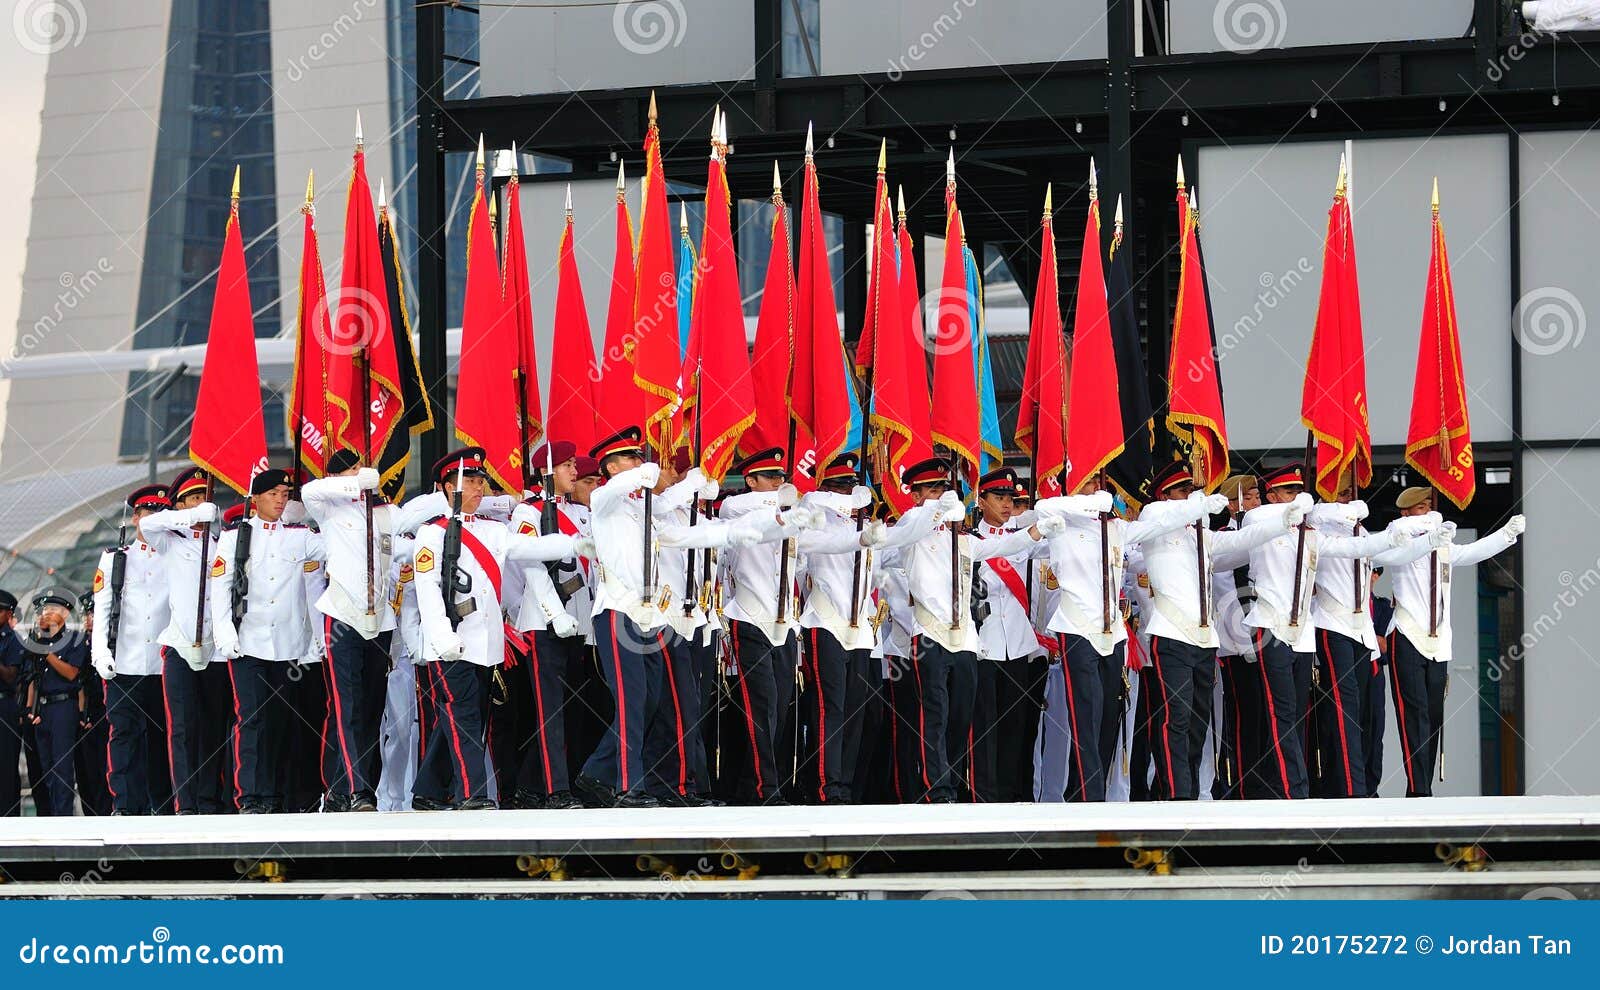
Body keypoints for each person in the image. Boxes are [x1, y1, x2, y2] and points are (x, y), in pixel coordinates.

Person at [411, 447, 583, 810]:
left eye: (479, 482)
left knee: (465, 718)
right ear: (447, 487)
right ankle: (473, 794)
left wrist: (577, 542)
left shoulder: (493, 531)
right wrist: (442, 634)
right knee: (465, 718)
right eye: (469, 482)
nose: (478, 489)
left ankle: (427, 791)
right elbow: (427, 589)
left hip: (485, 644)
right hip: (451, 641)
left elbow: (531, 548)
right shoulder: (432, 533)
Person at [1236, 463, 1420, 800]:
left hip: (1302, 634)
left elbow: (1351, 548)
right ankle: (1287, 788)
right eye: (1288, 491)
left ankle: (1297, 786)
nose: (1295, 497)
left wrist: (1389, 538)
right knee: (1280, 710)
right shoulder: (1260, 520)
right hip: (1270, 627)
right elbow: (1263, 523)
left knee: (1298, 713)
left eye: (1296, 491)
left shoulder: (1309, 535)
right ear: (1272, 495)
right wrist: (1299, 508)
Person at [893, 456, 1062, 803]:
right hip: (930, 634)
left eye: (944, 487)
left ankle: (952, 783)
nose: (940, 494)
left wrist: (1036, 530)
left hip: (966, 638)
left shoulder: (964, 537)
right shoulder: (913, 525)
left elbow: (1004, 545)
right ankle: (935, 789)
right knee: (935, 715)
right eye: (932, 489)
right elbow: (914, 523)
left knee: (960, 718)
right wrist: (939, 509)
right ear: (915, 495)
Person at [1034, 469, 1201, 802]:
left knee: (1110, 715)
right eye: (1087, 482)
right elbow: (1043, 508)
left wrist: (1197, 506)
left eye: (1097, 482)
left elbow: (1157, 525)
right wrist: (1090, 503)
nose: (1095, 488)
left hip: (1111, 633)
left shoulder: (1115, 528)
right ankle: (1089, 795)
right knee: (1086, 713)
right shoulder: (1061, 523)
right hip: (1076, 629)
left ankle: (1086, 790)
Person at [1126, 461, 1285, 801]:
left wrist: (1282, 522)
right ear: (1165, 495)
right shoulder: (1155, 518)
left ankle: (1189, 792)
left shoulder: (1198, 534)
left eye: (1192, 490)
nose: (1191, 495)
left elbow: (1242, 540)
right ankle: (1176, 795)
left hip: (1203, 638)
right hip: (1171, 634)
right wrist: (1196, 505)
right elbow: (1161, 517)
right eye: (1183, 490)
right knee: (1176, 718)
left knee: (1199, 723)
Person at [1372, 487, 1524, 797]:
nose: (1426, 512)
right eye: (1419, 508)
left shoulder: (1442, 546)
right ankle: (1417, 789)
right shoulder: (1398, 538)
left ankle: (1423, 786)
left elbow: (1472, 552)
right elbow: (1392, 552)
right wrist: (1427, 535)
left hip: (1439, 642)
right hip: (1408, 637)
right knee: (1412, 717)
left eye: (1429, 506)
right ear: (1405, 513)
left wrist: (1506, 535)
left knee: (1433, 718)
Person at [210, 468, 326, 813]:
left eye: (284, 494)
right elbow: (221, 587)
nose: (280, 500)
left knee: (279, 722)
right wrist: (224, 632)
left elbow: (339, 547)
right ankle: (250, 796)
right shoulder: (234, 538)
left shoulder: (299, 535)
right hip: (249, 641)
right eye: (273, 494)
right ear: (255, 498)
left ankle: (274, 794)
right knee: (252, 720)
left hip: (288, 644)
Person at [300, 450, 392, 812]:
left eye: (362, 469)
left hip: (380, 620)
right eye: (352, 470)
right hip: (342, 616)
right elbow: (310, 492)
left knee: (372, 708)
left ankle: (344, 789)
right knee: (347, 706)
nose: (360, 474)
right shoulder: (331, 510)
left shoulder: (383, 510)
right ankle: (358, 791)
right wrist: (354, 483)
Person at [90, 487, 176, 815]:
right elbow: (103, 608)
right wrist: (100, 654)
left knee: (159, 740)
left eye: (160, 515)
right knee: (124, 736)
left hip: (162, 665)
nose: (152, 521)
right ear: (136, 518)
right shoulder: (116, 558)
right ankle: (126, 807)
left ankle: (162, 808)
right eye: (147, 514)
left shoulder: (175, 556)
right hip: (123, 664)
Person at [970, 467, 1052, 802]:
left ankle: (1014, 795)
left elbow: (1052, 544)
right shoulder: (970, 540)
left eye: (1011, 499)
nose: (1007, 505)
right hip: (984, 645)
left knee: (1017, 726)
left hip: (1017, 645)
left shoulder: (1023, 539)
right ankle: (985, 796)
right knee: (985, 728)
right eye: (1000, 498)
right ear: (982, 499)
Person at [1211, 474, 1260, 799]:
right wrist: (1244, 641)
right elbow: (1225, 593)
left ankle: (1254, 782)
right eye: (1252, 497)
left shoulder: (1252, 535)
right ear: (1233, 504)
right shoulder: (1224, 539)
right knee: (1235, 718)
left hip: (1256, 638)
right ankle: (1235, 785)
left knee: (1255, 715)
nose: (1258, 503)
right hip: (1234, 643)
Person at [24, 591, 88, 815]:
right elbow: (32, 678)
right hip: (43, 708)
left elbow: (72, 674)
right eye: (42, 611)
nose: (44, 615)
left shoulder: (74, 641)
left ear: (64, 614)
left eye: (51, 610)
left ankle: (63, 817)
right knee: (46, 767)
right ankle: (51, 816)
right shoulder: (39, 641)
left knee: (62, 767)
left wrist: (46, 652)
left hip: (63, 706)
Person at [73, 593, 111, 816]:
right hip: (87, 713)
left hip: (105, 712)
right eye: (88, 614)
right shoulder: (81, 645)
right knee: (87, 772)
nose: (89, 619)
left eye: (93, 613)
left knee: (104, 767)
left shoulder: (110, 642)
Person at [0, 589, 26, 815]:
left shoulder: (12, 640)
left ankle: (9, 814)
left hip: (4, 705)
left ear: (9, 614)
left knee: (6, 764)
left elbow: (11, 676)